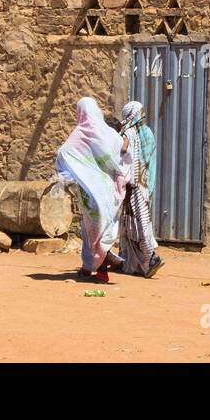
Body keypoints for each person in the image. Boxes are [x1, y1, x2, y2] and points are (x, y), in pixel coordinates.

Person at [54, 97, 130, 282]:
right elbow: (123, 148)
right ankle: (92, 268)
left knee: (91, 230)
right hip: (109, 191)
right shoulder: (109, 133)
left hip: (90, 193)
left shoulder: (78, 135)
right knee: (101, 230)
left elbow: (63, 153)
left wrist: (78, 171)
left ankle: (98, 270)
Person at [118, 101, 164, 278]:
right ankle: (132, 263)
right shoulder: (146, 132)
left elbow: (123, 151)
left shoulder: (128, 132)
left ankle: (151, 257)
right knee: (133, 223)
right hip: (144, 185)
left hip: (133, 185)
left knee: (137, 223)